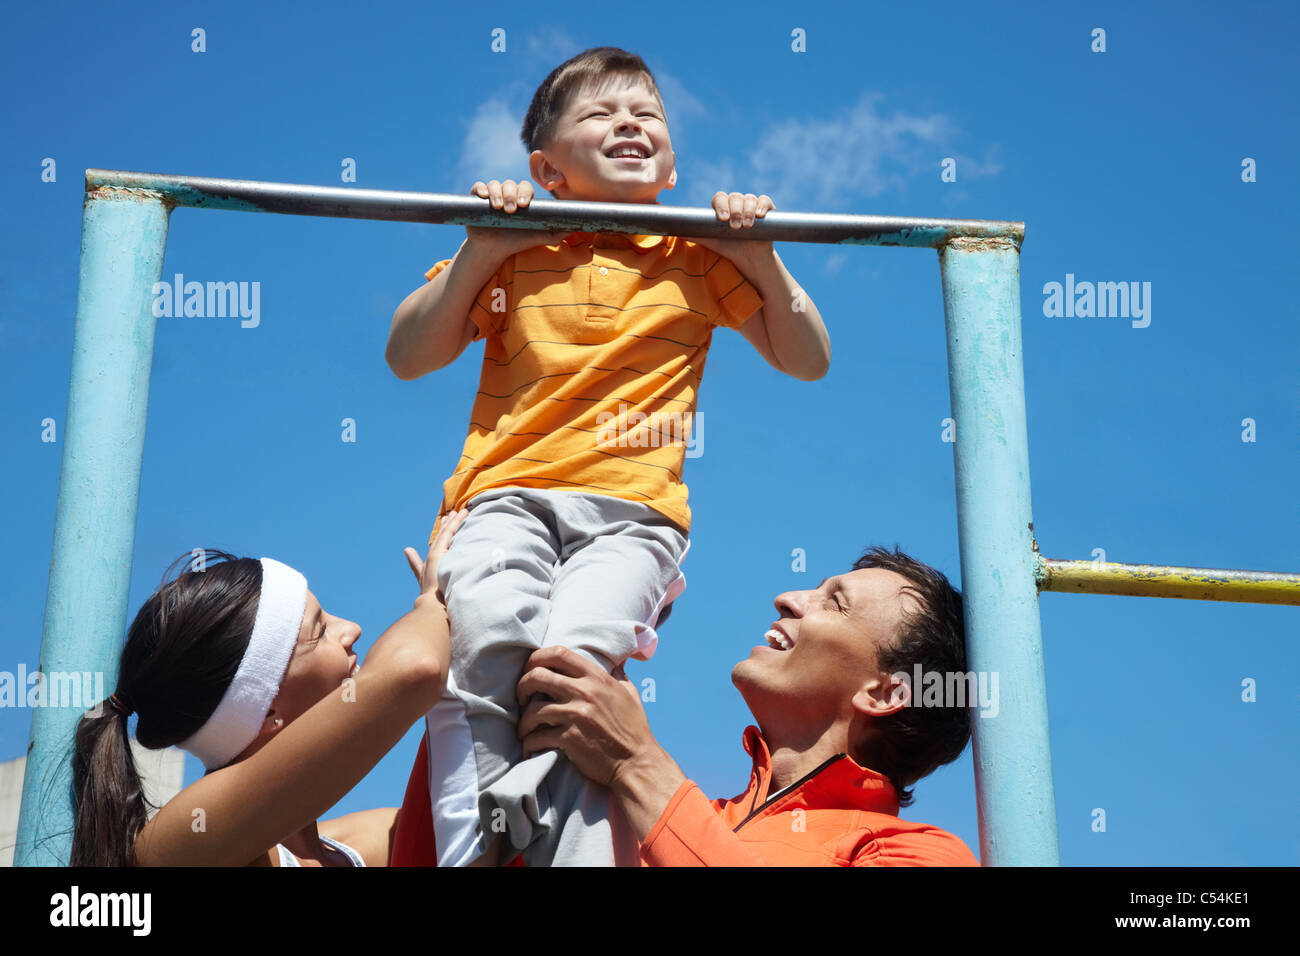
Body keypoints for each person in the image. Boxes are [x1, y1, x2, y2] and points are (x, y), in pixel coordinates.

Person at [385, 46, 831, 866]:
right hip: (507, 493)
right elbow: (408, 354)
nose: (630, 123)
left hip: (634, 514)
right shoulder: (517, 248)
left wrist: (759, 251)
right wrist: (482, 247)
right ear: (546, 171)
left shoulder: (692, 255)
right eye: (600, 114)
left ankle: (541, 814)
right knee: (486, 637)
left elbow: (808, 356)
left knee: (577, 662)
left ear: (671, 167)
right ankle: (478, 841)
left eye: (648, 115)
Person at [391, 546, 981, 866]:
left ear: (884, 692)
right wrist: (470, 665)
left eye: (836, 603)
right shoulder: (669, 816)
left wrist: (637, 764)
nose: (789, 597)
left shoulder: (920, 854)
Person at [67, 510, 468, 866]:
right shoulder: (180, 842)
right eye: (320, 630)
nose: (352, 630)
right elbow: (416, 669)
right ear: (267, 710)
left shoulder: (358, 847)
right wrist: (433, 599)